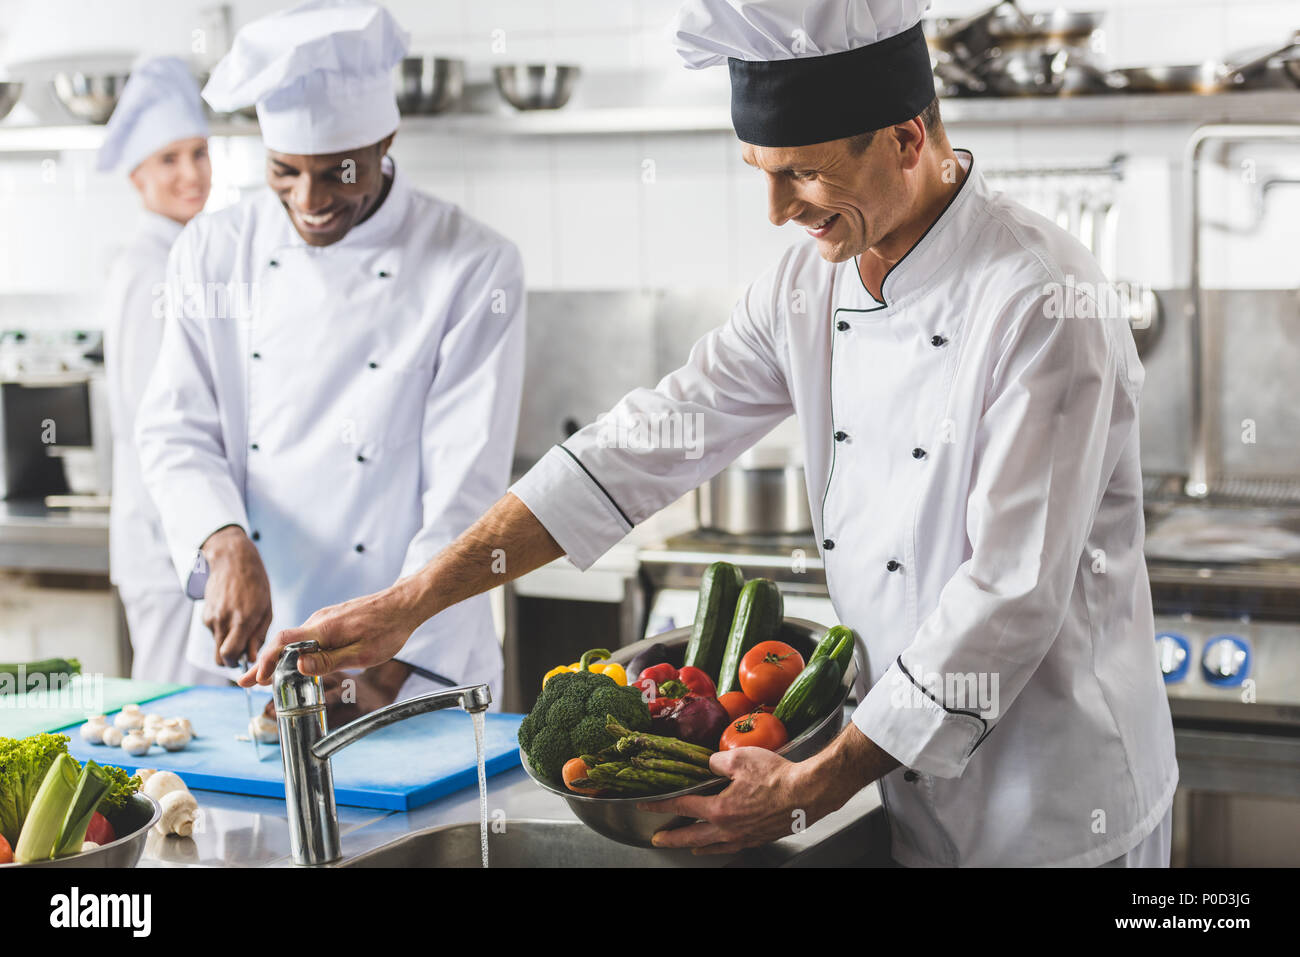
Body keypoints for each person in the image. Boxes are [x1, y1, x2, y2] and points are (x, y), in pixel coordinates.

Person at [244, 0, 1178, 867]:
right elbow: (641, 444)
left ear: (907, 138)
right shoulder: (808, 283)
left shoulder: (1042, 299)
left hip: (1058, 807)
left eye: (804, 173)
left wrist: (814, 783)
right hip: (903, 781)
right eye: (761, 175)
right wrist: (413, 602)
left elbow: (1006, 595)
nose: (778, 212)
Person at [136, 0, 525, 720]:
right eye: (285, 171)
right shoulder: (214, 250)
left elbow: (464, 489)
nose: (309, 201)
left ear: (386, 140)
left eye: (337, 173)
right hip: (246, 663)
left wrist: (378, 667)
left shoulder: (472, 264)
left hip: (413, 668)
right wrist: (223, 540)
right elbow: (174, 430)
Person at [98, 57, 215, 685]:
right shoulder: (150, 272)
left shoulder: (184, 256)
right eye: (169, 159)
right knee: (176, 727)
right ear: (137, 174)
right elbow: (161, 426)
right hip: (170, 553)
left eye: (198, 153)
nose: (191, 173)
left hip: (189, 551)